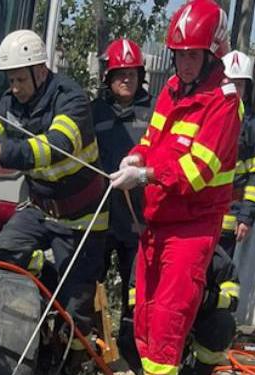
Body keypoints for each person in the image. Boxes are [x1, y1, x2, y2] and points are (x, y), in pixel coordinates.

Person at [107, 0, 242, 375]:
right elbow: (153, 138)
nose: (184, 63)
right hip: (159, 220)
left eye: (192, 55)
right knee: (145, 309)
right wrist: (135, 157)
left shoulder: (223, 104)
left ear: (211, 54)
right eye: (180, 54)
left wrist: (145, 173)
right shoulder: (171, 90)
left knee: (169, 312)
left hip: (191, 226)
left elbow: (197, 172)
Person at [0, 29, 108, 375]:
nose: (14, 87)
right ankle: (42, 282)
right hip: (40, 209)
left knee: (77, 308)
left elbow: (56, 148)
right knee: (5, 254)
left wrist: (3, 152)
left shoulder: (71, 100)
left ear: (40, 72)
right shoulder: (10, 102)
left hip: (82, 220)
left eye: (19, 79)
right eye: (9, 80)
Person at [119, 244, 240, 375]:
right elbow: (135, 296)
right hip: (160, 315)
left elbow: (232, 300)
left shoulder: (217, 257)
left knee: (222, 325)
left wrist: (205, 299)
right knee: (130, 329)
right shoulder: (150, 251)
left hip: (199, 317)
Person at [92, 37, 154, 306]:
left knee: (137, 294)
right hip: (100, 214)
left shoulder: (154, 112)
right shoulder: (94, 112)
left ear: (140, 76)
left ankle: (132, 345)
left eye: (132, 74)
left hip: (138, 217)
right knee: (90, 288)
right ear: (109, 77)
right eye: (120, 74)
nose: (126, 80)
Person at [219, 50, 255, 258]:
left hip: (228, 217)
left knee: (220, 278)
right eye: (228, 83)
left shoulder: (253, 126)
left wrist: (246, 216)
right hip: (198, 215)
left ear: (247, 90)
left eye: (239, 85)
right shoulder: (203, 117)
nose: (233, 90)